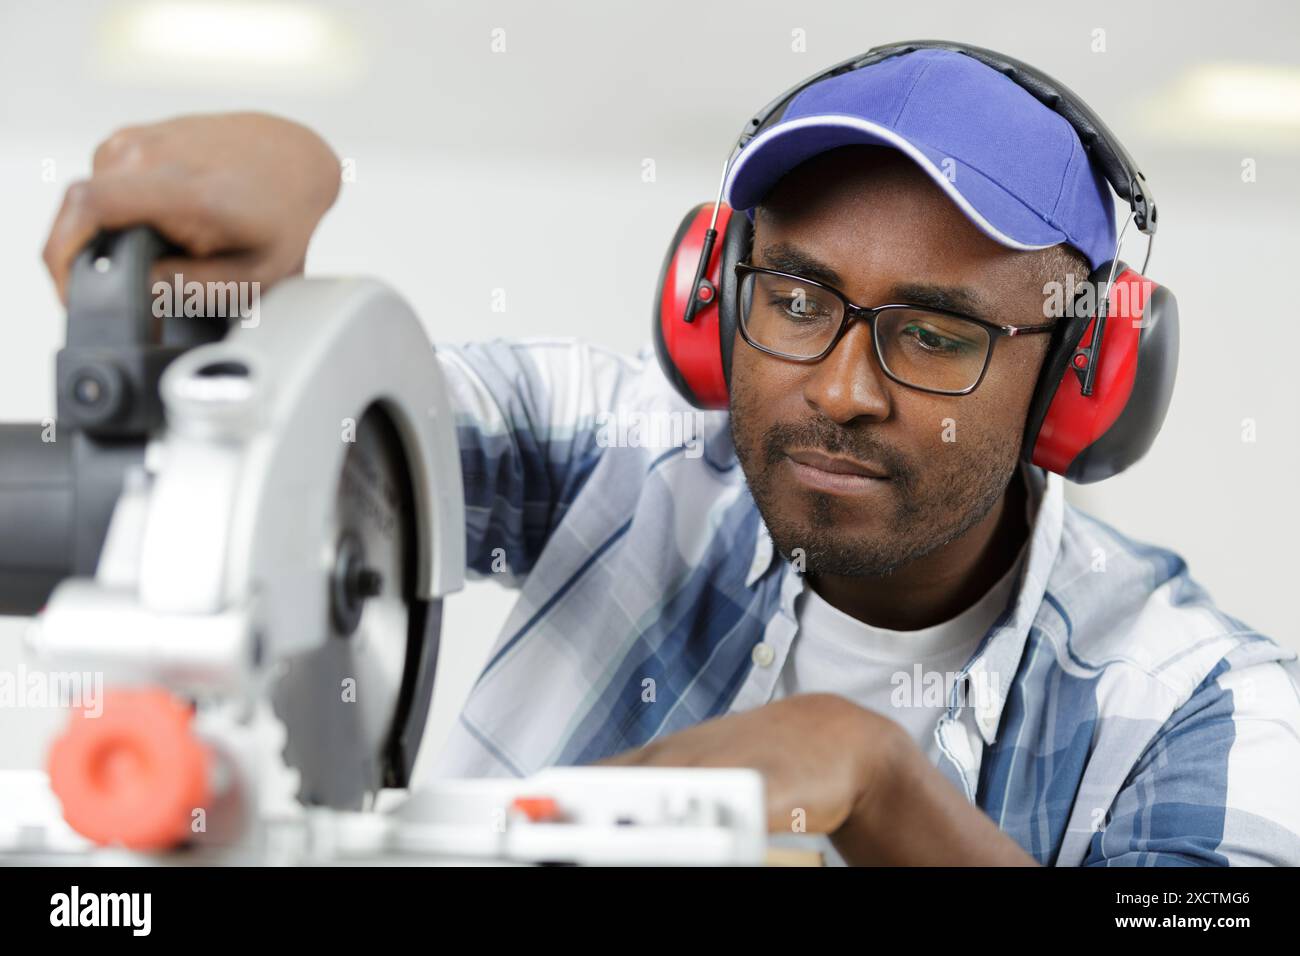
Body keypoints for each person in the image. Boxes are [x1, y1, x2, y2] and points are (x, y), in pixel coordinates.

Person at [41, 49, 1300, 866]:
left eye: (933, 333)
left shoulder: (1202, 700)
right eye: (797, 300)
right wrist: (225, 298)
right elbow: (301, 451)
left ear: (1082, 380)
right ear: (711, 298)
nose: (842, 390)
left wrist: (879, 786)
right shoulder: (608, 452)